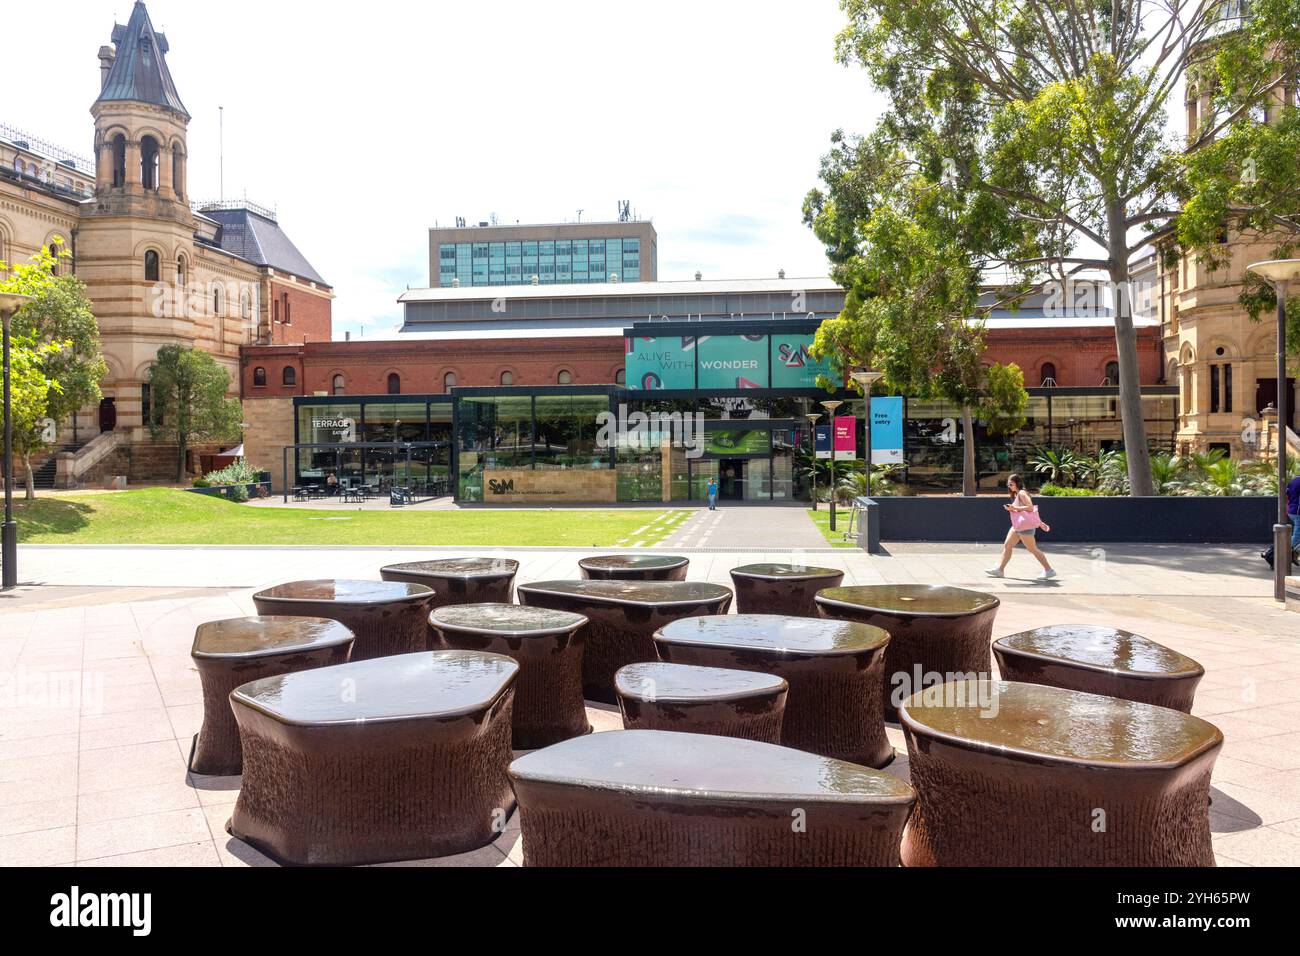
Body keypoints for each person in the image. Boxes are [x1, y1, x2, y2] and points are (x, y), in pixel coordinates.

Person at [986, 473, 1056, 581]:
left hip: (1025, 527)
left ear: (1017, 483)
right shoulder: (1017, 494)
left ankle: (1049, 570)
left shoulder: (1022, 493)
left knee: (1032, 549)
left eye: (1011, 484)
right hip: (1018, 525)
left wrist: (1014, 508)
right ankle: (1000, 570)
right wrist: (1013, 508)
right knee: (1007, 545)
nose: (1009, 486)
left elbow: (1030, 507)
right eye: (1008, 485)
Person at [1288, 471, 1300, 565]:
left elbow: (1286, 495)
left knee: (1297, 534)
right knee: (1297, 535)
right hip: (1298, 512)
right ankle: (1287, 552)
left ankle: (1294, 554)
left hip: (1291, 511)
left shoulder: (1293, 481)